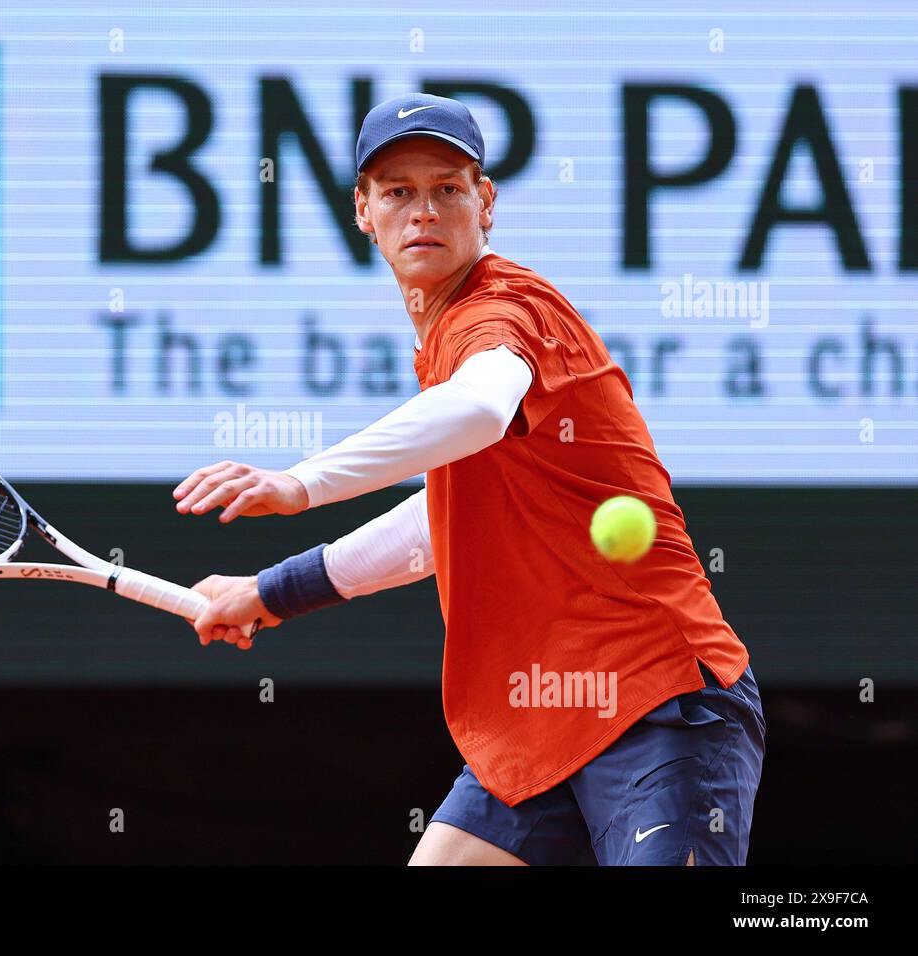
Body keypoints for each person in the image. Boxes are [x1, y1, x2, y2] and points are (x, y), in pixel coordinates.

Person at [171, 93, 765, 866]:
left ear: (485, 203)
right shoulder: (441, 334)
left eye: (447, 188)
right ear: (364, 211)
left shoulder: (502, 310)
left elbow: (481, 408)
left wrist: (301, 483)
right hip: (538, 718)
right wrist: (275, 590)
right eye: (398, 192)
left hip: (657, 703)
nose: (424, 210)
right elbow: (443, 522)